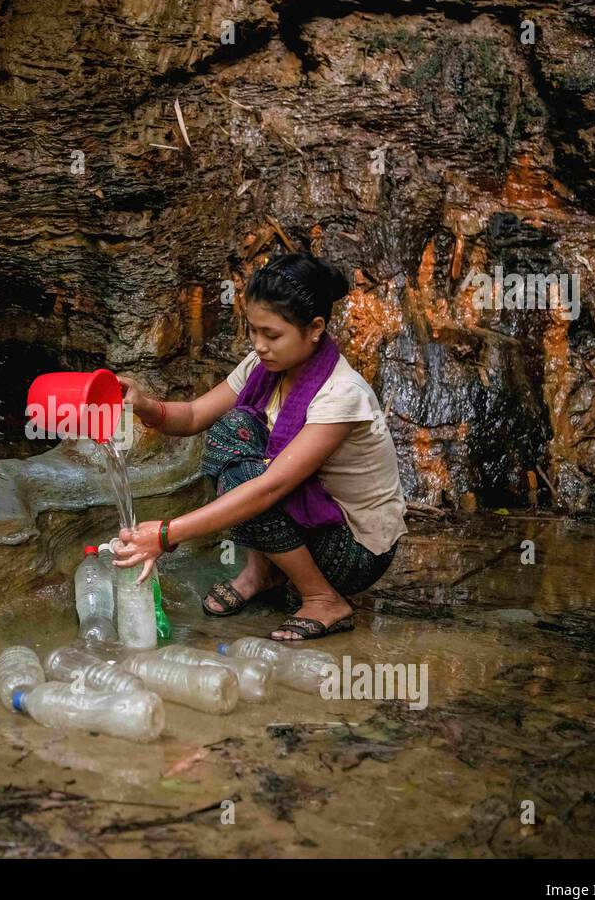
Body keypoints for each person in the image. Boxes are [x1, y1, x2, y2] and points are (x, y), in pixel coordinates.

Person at [110, 253, 406, 641]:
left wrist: (167, 534)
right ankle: (262, 573)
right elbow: (197, 415)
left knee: (247, 478)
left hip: (353, 551)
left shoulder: (341, 394)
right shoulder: (262, 368)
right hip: (312, 519)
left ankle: (323, 598)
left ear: (315, 328)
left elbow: (271, 487)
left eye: (272, 334)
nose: (259, 345)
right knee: (233, 430)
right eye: (253, 331)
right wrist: (145, 405)